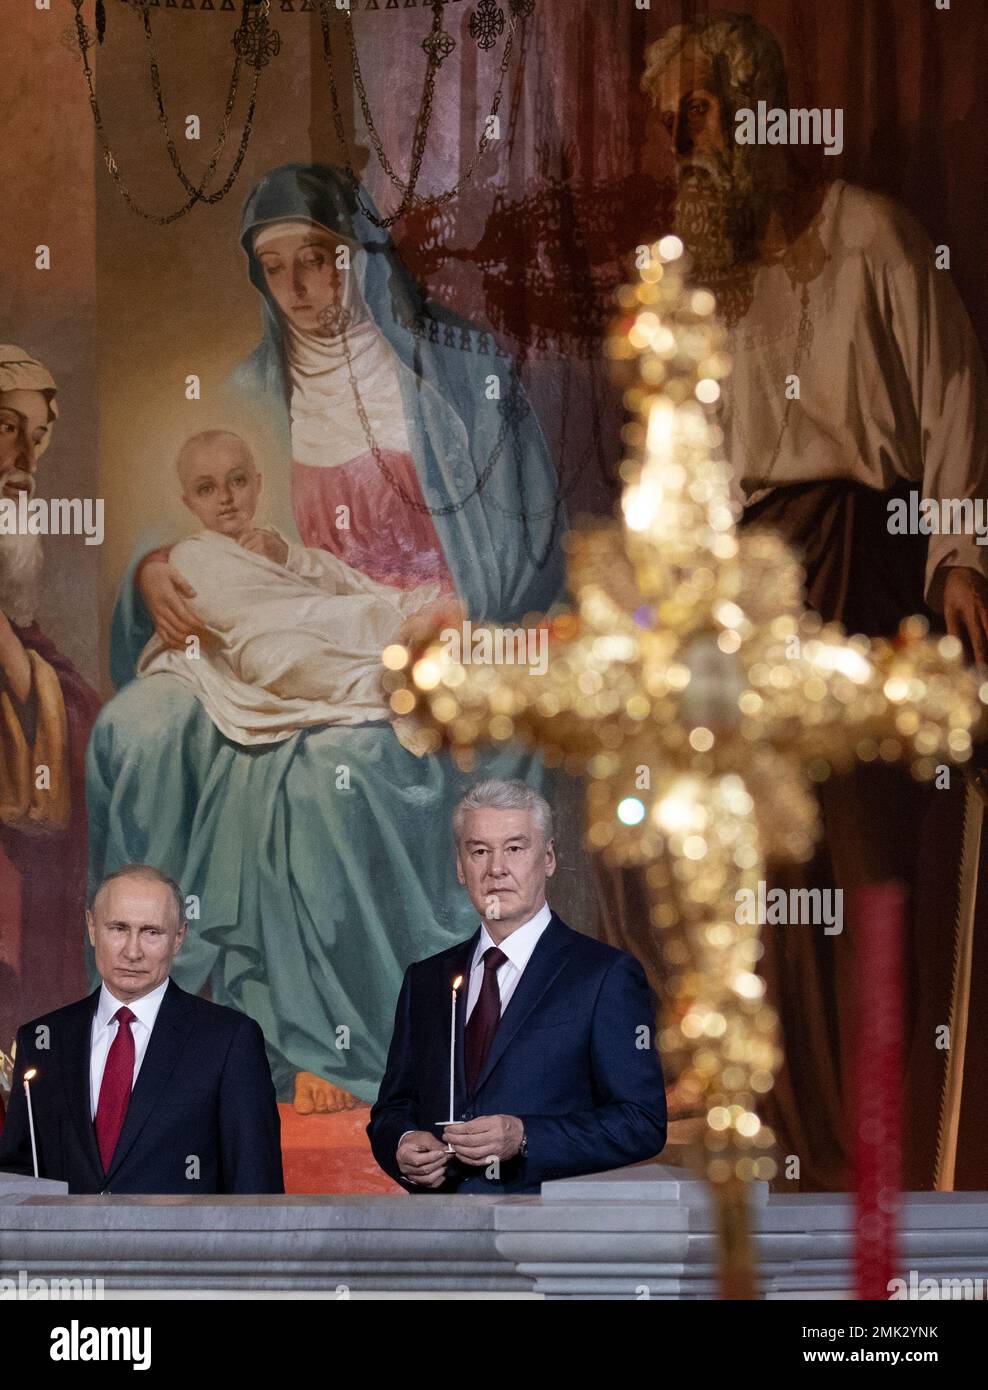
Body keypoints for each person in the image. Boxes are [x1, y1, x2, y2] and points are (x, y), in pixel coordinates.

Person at [87, 165, 571, 1119]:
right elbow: (190, 515)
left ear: (365, 256)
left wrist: (455, 618)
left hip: (439, 638)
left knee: (328, 778)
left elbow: (526, 546)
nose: (302, 288)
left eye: (321, 260)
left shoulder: (456, 373)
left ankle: (332, 1055)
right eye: (277, 269)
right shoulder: (253, 387)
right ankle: (154, 1042)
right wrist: (149, 571)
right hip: (275, 632)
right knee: (140, 727)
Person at [634, 11, 988, 1189]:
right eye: (669, 123)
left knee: (872, 880)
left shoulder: (876, 238)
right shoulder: (704, 286)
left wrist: (961, 561)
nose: (684, 142)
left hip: (869, 569)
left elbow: (951, 408)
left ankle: (883, 1161)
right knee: (770, 893)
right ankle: (806, 1157)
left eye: (698, 112)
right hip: (752, 590)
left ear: (757, 110)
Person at [368, 780, 667, 1194]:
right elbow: (393, 1109)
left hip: (548, 1238)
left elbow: (641, 1122)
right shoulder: (426, 979)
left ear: (547, 859)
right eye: (479, 851)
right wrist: (402, 1143)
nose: (496, 869)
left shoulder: (605, 975)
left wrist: (525, 1136)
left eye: (515, 848)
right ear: (460, 866)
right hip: (439, 1235)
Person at [137, 429, 445, 752]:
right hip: (257, 641)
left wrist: (286, 556)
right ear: (189, 502)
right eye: (206, 489)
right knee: (282, 659)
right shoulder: (190, 554)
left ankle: (414, 665)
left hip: (316, 617)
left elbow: (335, 578)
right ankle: (383, 685)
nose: (225, 497)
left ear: (258, 484)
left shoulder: (275, 541)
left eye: (237, 481)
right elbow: (221, 616)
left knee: (363, 614)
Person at [0, 864, 284, 1195]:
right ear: (92, 928)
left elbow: (255, 1187)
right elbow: (18, 1175)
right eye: (118, 928)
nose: (132, 951)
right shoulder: (42, 1040)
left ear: (178, 938)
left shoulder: (230, 1040)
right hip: (68, 1247)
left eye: (151, 932)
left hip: (179, 1247)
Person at [0, 345, 101, 1057]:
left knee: (86, 732)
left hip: (18, 652)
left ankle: (35, 1021)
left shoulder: (14, 500)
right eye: (7, 425)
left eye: (35, 434)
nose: (22, 449)